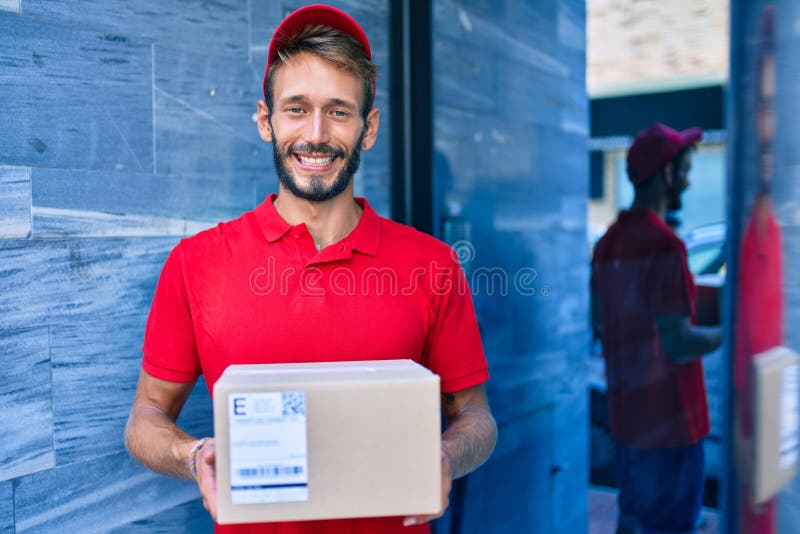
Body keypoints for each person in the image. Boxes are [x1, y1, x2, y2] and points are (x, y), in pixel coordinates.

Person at [124, 5, 497, 534]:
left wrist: (443, 456)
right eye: (296, 109)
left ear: (369, 128)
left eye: (338, 112)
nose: (316, 134)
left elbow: (476, 417)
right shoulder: (196, 263)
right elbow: (145, 418)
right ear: (265, 120)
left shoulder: (432, 265)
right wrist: (192, 456)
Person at [591, 123, 723, 534]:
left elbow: (600, 323)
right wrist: (730, 332)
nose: (688, 180)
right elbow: (679, 342)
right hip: (672, 428)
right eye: (684, 170)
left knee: (633, 523)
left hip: (627, 422)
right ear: (667, 173)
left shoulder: (608, 243)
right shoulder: (666, 245)